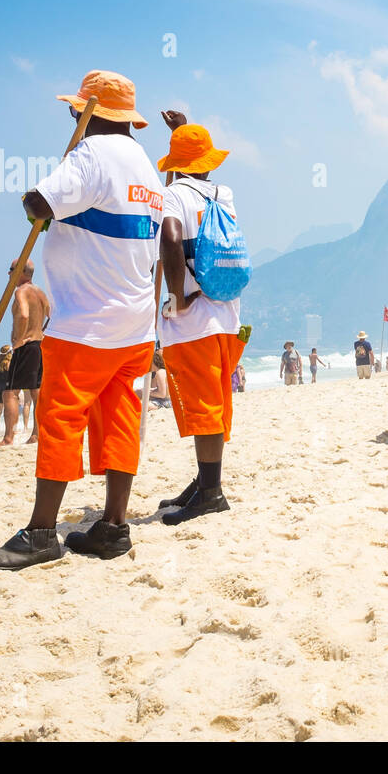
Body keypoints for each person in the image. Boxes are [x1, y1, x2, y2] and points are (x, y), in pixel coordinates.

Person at [0, 69, 161, 571]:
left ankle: (40, 535)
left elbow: (39, 205)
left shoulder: (90, 154)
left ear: (88, 112)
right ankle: (113, 527)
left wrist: (40, 196)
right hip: (136, 324)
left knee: (59, 422)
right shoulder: (145, 165)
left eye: (76, 109)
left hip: (87, 323)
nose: (72, 115)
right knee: (119, 417)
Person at [153, 115, 248, 524]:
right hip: (227, 315)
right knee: (215, 401)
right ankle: (203, 481)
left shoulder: (173, 195)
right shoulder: (221, 193)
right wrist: (184, 132)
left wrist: (175, 298)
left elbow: (171, 239)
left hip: (194, 321)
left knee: (204, 406)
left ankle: (211, 492)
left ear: (176, 164)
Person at [0, 258, 50, 448]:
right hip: (39, 344)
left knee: (9, 393)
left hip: (25, 346)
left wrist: (19, 340)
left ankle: (8, 438)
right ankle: (37, 434)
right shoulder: (39, 292)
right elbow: (53, 314)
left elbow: (24, 314)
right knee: (36, 391)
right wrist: (42, 332)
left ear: (22, 272)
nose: (8, 273)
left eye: (11, 269)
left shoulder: (21, 292)